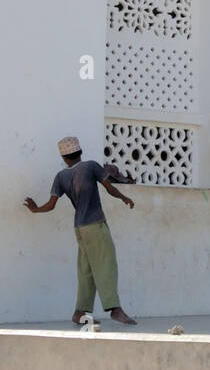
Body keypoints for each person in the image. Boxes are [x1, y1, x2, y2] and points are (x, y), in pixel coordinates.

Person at [23, 135, 137, 326]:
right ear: (80, 152)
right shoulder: (91, 166)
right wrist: (124, 197)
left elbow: (51, 205)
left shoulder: (60, 177)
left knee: (86, 270)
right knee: (106, 264)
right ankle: (115, 309)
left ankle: (79, 312)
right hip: (95, 224)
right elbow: (109, 188)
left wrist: (35, 209)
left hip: (79, 228)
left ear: (64, 158)